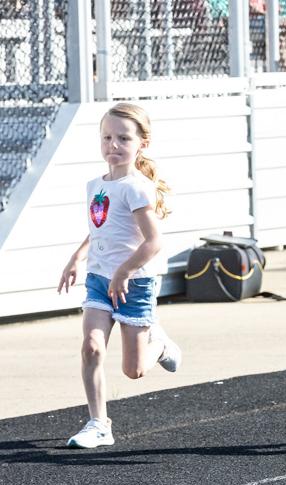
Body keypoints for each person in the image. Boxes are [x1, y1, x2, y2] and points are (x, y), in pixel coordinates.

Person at [58, 103, 182, 449]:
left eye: (123, 138)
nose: (113, 145)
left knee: (134, 371)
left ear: (142, 143)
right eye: (107, 137)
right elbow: (101, 228)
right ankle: (99, 424)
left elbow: (154, 241)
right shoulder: (94, 185)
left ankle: (160, 345)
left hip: (134, 283)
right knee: (92, 347)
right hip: (99, 279)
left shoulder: (137, 188)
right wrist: (76, 257)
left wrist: (125, 271)